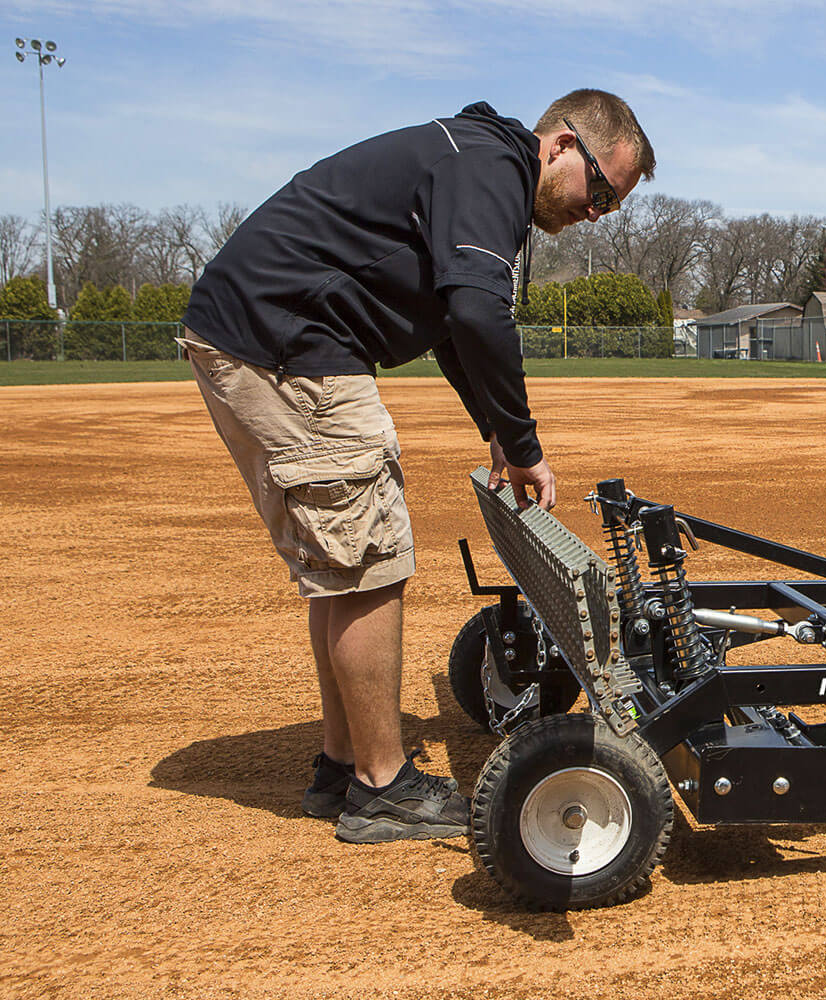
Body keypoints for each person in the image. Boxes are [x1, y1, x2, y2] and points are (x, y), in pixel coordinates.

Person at [179, 90, 655, 843]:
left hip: (265, 335)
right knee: (371, 562)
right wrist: (525, 444)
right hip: (292, 346)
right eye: (599, 191)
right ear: (562, 144)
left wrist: (496, 429)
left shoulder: (471, 158)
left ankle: (345, 767)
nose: (595, 213)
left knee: (343, 565)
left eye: (611, 207)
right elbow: (475, 313)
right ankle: (383, 789)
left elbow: (445, 324)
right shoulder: (491, 170)